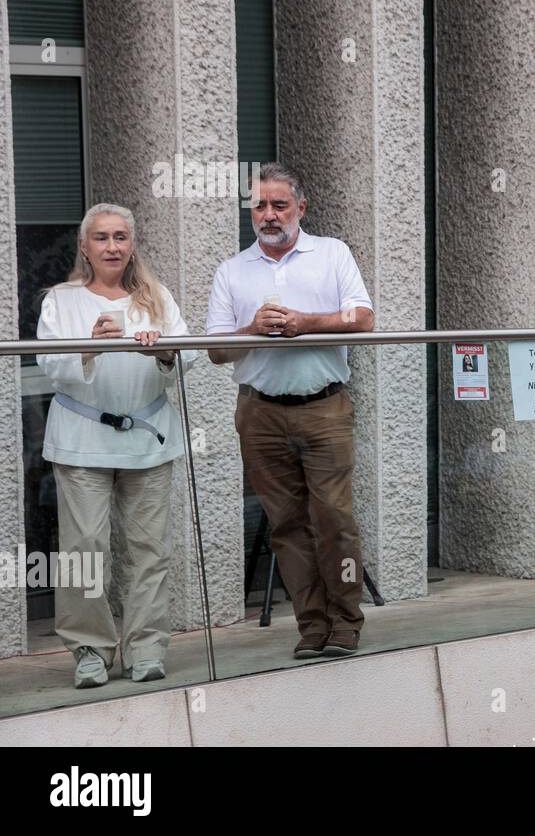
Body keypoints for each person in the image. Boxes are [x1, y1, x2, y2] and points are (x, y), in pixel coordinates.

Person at [206, 163, 376, 661]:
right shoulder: (232, 271)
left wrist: (306, 323)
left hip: (323, 409)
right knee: (286, 524)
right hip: (259, 415)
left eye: (280, 204)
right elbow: (216, 351)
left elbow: (363, 319)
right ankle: (311, 625)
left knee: (335, 520)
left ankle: (347, 622)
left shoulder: (332, 253)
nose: (269, 214)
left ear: (301, 208)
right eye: (259, 205)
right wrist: (252, 331)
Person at [37, 203, 196, 688]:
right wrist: (88, 347)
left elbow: (184, 358)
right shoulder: (62, 300)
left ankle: (146, 646)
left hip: (147, 439)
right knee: (86, 549)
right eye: (102, 238)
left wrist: (164, 348)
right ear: (85, 246)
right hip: (82, 441)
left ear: (132, 245)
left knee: (149, 548)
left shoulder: (157, 297)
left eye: (120, 237)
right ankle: (90, 650)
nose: (112, 246)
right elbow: (48, 364)